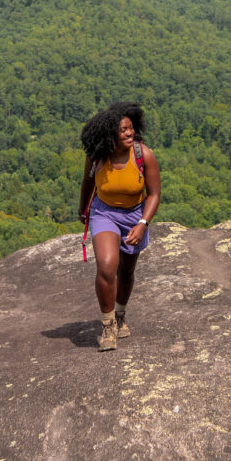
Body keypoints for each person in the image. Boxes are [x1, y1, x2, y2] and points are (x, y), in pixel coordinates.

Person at [78, 100, 161, 352]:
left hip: (135, 214)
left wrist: (143, 224)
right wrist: (83, 209)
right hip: (104, 213)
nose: (129, 133)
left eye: (130, 128)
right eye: (122, 130)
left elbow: (154, 194)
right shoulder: (97, 155)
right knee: (106, 265)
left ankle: (121, 314)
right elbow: (87, 183)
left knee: (126, 271)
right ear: (109, 135)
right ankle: (107, 324)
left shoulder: (142, 154)